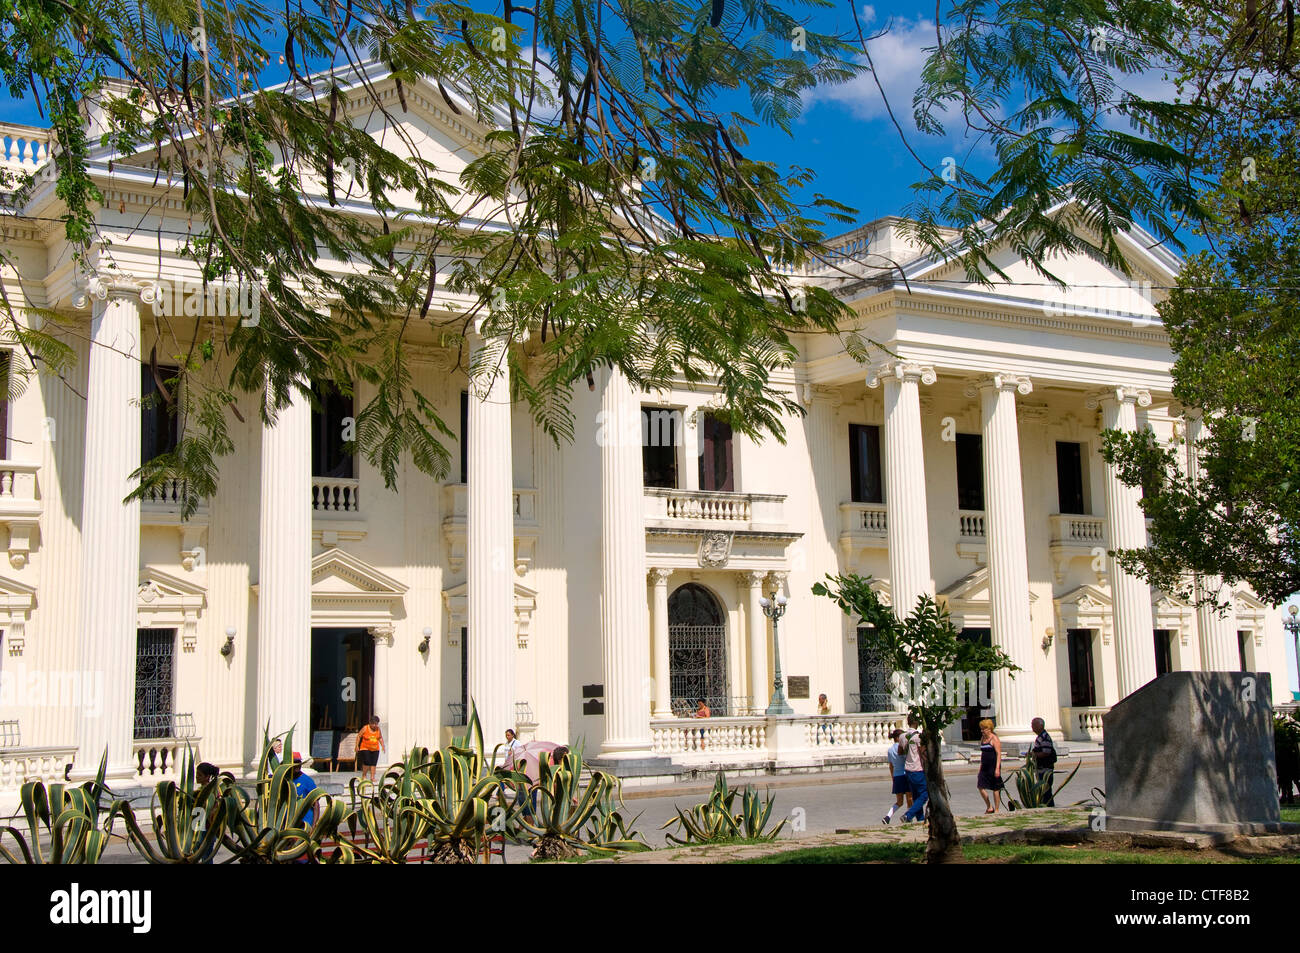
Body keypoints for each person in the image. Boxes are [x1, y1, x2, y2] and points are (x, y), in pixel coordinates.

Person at [899, 714, 929, 823]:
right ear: (917, 723)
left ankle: (920, 818)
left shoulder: (902, 736)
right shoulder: (918, 737)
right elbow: (923, 753)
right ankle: (908, 815)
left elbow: (900, 751)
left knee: (916, 795)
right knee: (925, 794)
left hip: (907, 768)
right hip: (918, 768)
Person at [882, 728, 913, 824]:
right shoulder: (903, 748)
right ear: (898, 738)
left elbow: (891, 766)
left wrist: (893, 778)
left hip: (897, 776)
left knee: (899, 801)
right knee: (910, 799)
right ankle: (908, 817)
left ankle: (888, 816)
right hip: (905, 775)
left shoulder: (890, 750)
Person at [976, 718, 1003, 813]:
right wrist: (980, 768)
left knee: (995, 788)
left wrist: (997, 769)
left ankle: (996, 809)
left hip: (993, 765)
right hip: (984, 766)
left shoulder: (994, 738)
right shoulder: (983, 739)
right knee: (980, 786)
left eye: (984, 729)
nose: (982, 731)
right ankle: (989, 806)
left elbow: (999, 753)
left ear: (989, 729)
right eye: (981, 729)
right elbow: (982, 754)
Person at [1029, 717, 1058, 807]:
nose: (1032, 727)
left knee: (1046, 790)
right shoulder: (1040, 737)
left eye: (1033, 725)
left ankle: (1049, 806)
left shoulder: (1044, 737)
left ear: (1040, 726)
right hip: (1041, 768)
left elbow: (1046, 752)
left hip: (1045, 769)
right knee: (1043, 790)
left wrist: (1033, 754)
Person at [357, 714, 385, 782]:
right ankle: (364, 775)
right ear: (370, 723)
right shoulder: (365, 728)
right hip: (365, 747)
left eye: (376, 724)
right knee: (367, 761)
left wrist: (383, 746)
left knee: (373, 763)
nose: (374, 726)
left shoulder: (378, 729)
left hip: (375, 748)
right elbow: (359, 736)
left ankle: (372, 777)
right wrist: (357, 745)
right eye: (373, 724)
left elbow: (380, 738)